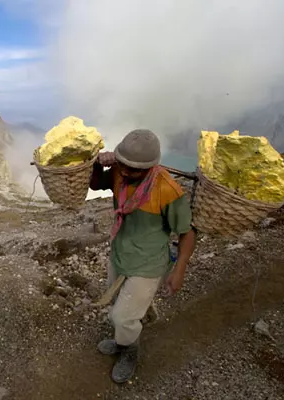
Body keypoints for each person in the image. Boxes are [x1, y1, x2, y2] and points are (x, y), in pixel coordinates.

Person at [90, 129, 197, 383]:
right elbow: (95, 184)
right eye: (123, 165)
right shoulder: (119, 171)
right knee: (120, 305)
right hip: (120, 254)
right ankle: (126, 335)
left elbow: (187, 232)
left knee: (121, 316)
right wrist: (96, 164)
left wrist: (179, 269)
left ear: (150, 167)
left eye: (133, 169)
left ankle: (130, 352)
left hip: (147, 263)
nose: (126, 172)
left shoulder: (167, 190)